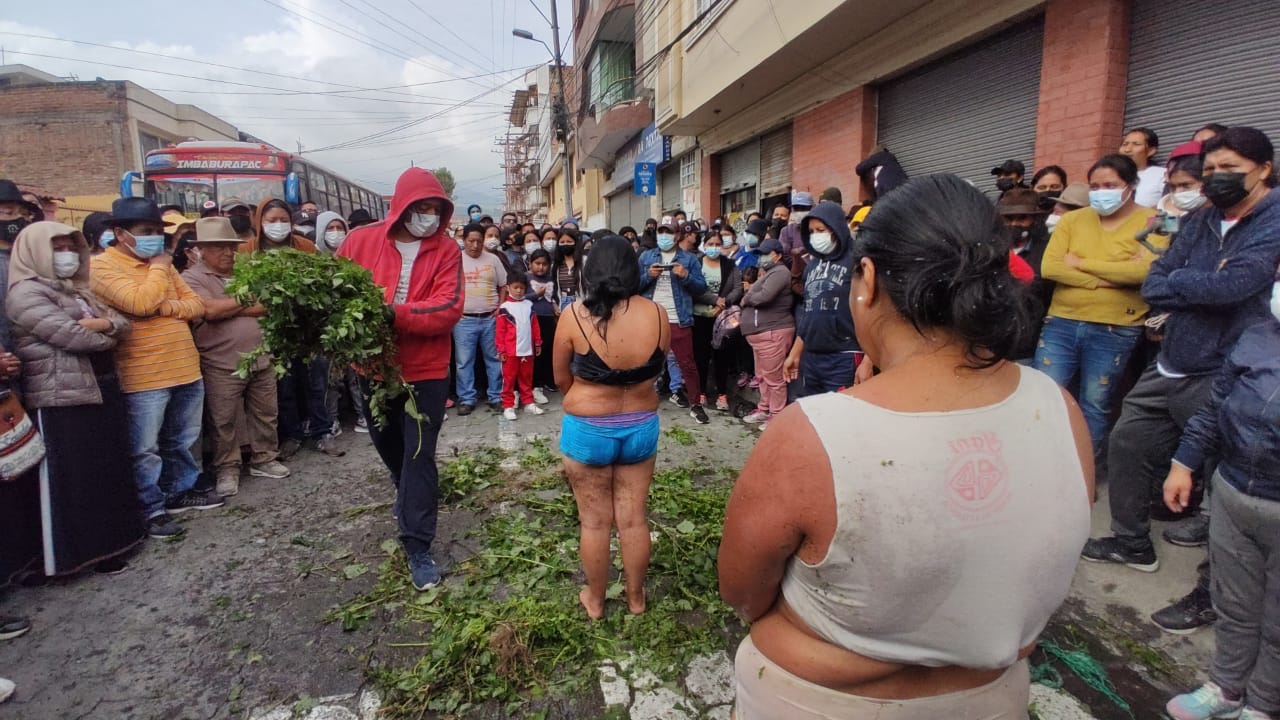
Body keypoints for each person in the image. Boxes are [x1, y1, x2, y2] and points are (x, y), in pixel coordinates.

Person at [719, 174, 1093, 719]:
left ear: (867, 280)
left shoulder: (812, 433)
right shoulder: (1062, 410)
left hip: (816, 699)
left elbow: (743, 592)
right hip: (989, 696)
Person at [1086, 127, 1280, 633]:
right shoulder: (1199, 220)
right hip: (1171, 359)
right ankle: (1130, 542)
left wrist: (1187, 282)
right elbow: (1155, 284)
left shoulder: (1274, 219)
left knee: (1222, 485)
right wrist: (1200, 282)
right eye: (1210, 169)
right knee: (1129, 442)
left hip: (1228, 369)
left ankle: (1212, 593)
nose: (1216, 178)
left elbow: (1237, 285)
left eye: (1229, 169)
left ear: (1263, 169)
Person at [337, 167, 463, 591]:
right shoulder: (361, 241)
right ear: (402, 206)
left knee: (418, 455)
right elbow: (338, 292)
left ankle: (417, 545)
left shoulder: (447, 250)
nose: (428, 216)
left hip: (426, 372)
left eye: (435, 208)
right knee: (388, 444)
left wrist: (394, 313)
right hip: (374, 368)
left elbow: (448, 307)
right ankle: (406, 491)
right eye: (421, 207)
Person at [1162, 281, 1280, 720]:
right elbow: (1214, 408)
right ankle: (1226, 688)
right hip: (1232, 491)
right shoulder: (1256, 337)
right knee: (1234, 604)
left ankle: (1263, 705)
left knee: (1277, 620)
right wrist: (1183, 463)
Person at [7, 220, 143, 574]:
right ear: (36, 251)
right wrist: (108, 331)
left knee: (104, 471)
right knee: (75, 480)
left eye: (71, 248)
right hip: (61, 398)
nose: (67, 255)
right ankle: (78, 555)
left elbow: (123, 324)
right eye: (58, 248)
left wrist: (104, 325)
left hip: (99, 387)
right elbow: (73, 337)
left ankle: (110, 545)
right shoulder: (26, 294)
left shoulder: (77, 290)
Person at [552, 236, 670, 619]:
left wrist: (584, 398)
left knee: (595, 522)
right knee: (633, 519)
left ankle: (596, 601)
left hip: (588, 429)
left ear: (590, 272)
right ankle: (636, 599)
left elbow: (560, 378)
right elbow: (656, 369)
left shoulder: (573, 315)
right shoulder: (657, 314)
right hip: (641, 427)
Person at [91, 197, 219, 538]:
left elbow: (196, 305)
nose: (155, 239)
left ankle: (180, 491)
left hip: (184, 365)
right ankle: (151, 509)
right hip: (143, 373)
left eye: (157, 232)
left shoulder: (161, 265)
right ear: (120, 233)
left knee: (183, 439)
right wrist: (160, 270)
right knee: (145, 449)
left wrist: (159, 307)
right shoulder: (102, 267)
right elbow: (140, 302)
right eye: (146, 231)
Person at [1036, 154, 1160, 452]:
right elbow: (1050, 268)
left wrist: (1081, 263)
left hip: (1115, 327)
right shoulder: (1073, 220)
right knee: (1045, 396)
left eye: (1110, 185)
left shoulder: (1153, 221)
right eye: (1095, 186)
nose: (1101, 192)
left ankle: (1084, 466)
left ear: (1131, 185)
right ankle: (1043, 459)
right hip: (1062, 322)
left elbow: (1144, 272)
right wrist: (1109, 278)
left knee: (1095, 403)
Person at [182, 217, 291, 498]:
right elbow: (208, 310)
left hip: (261, 356)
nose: (228, 252)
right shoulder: (192, 278)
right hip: (221, 361)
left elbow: (268, 304)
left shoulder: (247, 270)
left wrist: (228, 307)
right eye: (219, 247)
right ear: (202, 249)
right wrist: (244, 302)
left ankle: (265, 458)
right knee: (224, 419)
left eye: (231, 246)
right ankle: (227, 467)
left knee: (266, 412)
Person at [242, 198, 339, 459]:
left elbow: (323, 279)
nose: (278, 225)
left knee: (316, 381)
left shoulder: (304, 247)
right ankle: (292, 435)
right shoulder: (248, 251)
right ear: (260, 222)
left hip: (308, 327)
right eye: (272, 220)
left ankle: (322, 432)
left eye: (283, 220)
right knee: (284, 385)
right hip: (271, 330)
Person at [783, 200, 861, 399]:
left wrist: (869, 360)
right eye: (811, 231)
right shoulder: (812, 266)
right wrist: (795, 352)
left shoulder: (856, 262)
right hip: (812, 357)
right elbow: (809, 313)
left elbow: (873, 312)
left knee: (840, 414)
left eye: (821, 230)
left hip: (844, 356)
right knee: (815, 412)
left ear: (837, 229)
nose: (816, 236)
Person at [638, 219, 710, 424]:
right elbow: (633, 285)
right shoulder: (646, 257)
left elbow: (701, 288)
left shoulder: (689, 259)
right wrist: (648, 275)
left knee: (687, 364)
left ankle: (695, 404)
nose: (664, 236)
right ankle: (641, 403)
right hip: (651, 319)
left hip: (678, 319)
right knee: (645, 363)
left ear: (678, 235)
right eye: (661, 231)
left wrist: (685, 275)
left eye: (668, 232)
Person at [314, 212, 368, 433]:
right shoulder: (314, 262)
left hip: (353, 326)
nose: (336, 233)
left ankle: (363, 415)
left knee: (357, 374)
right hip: (326, 329)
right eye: (330, 228)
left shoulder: (354, 258)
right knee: (330, 378)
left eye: (340, 228)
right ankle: (331, 420)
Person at [452, 222, 508, 415]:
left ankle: (496, 396)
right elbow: (447, 287)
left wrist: (500, 307)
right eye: (471, 241)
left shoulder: (493, 260)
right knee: (464, 362)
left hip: (490, 318)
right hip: (463, 320)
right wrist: (455, 310)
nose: (475, 245)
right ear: (463, 240)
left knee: (494, 359)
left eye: (479, 241)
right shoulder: (455, 260)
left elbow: (503, 285)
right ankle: (467, 399)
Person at [739, 238, 793, 429]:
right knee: (762, 376)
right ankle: (764, 409)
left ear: (777, 255)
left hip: (773, 332)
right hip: (761, 334)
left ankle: (776, 415)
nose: (761, 257)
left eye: (765, 254)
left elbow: (764, 297)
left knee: (774, 379)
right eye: (760, 254)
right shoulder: (769, 273)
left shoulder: (780, 272)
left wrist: (747, 298)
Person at [997, 188, 1054, 357]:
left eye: (1022, 218)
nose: (1014, 224)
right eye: (1008, 219)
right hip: (995, 336)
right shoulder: (991, 249)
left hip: (1030, 338)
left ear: (1034, 219)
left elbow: (1044, 288)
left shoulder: (1047, 249)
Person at [691, 230, 743, 412]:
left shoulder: (729, 265)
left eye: (717, 244)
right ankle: (701, 392)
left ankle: (722, 394)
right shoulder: (696, 263)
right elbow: (692, 288)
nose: (714, 248)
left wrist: (724, 302)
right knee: (701, 357)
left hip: (722, 318)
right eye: (710, 244)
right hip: (700, 316)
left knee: (722, 356)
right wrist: (714, 300)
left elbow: (738, 287)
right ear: (704, 245)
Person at [496, 272, 545, 420]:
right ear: (508, 288)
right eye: (515, 287)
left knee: (526, 377)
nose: (518, 291)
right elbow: (500, 331)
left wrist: (538, 342)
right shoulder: (505, 308)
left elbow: (535, 325)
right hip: (510, 351)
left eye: (522, 288)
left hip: (527, 350)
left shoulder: (529, 305)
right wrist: (501, 349)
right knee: (509, 380)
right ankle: (508, 405)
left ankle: (528, 402)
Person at [526, 249, 558, 399]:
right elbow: (520, 296)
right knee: (536, 351)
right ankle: (535, 384)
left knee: (548, 350)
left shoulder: (551, 279)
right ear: (530, 263)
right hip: (533, 318)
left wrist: (555, 305)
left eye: (544, 264)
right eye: (537, 263)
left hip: (549, 318)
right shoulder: (526, 278)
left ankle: (548, 380)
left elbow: (554, 297)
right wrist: (535, 295)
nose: (541, 267)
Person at [1121, 127, 1165, 208]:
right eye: (1125, 144)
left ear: (1151, 151)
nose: (1127, 149)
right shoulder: (1111, 175)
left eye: (1136, 144)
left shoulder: (1161, 175)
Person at [555, 227, 583, 312]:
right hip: (563, 303)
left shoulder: (584, 261)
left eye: (569, 241)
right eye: (562, 242)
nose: (565, 244)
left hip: (580, 302)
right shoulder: (556, 265)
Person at [778, 190, 812, 259]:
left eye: (803, 208)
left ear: (812, 208)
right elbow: (784, 255)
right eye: (796, 208)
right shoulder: (786, 231)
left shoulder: (818, 229)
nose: (799, 212)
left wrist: (799, 251)